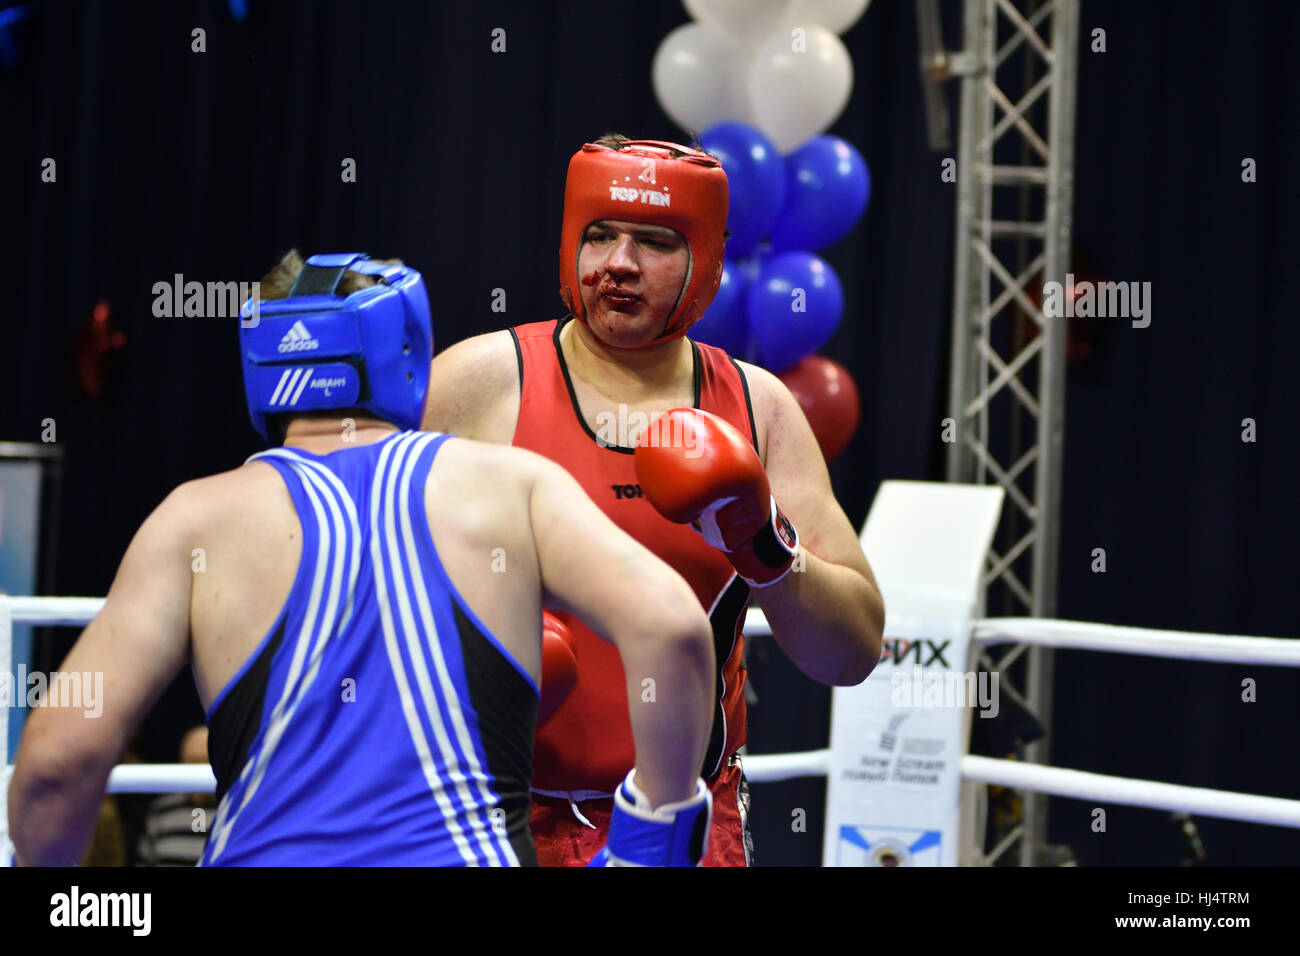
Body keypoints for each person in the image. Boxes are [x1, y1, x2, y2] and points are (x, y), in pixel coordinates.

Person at [7, 251, 718, 867]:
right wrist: (647, 843)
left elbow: (54, 765)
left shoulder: (195, 520)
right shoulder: (509, 486)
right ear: (405, 349)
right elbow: (676, 629)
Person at [422, 137, 886, 866]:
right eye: (599, 234)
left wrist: (763, 544)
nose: (619, 265)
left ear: (708, 259)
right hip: (487, 812)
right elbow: (366, 583)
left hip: (685, 824)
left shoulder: (757, 409)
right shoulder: (479, 382)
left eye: (655, 241)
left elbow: (852, 653)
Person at [135, 726, 218, 866]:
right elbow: (143, 862)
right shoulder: (162, 810)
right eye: (194, 761)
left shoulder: (235, 809)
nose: (201, 770)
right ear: (183, 762)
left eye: (207, 761)